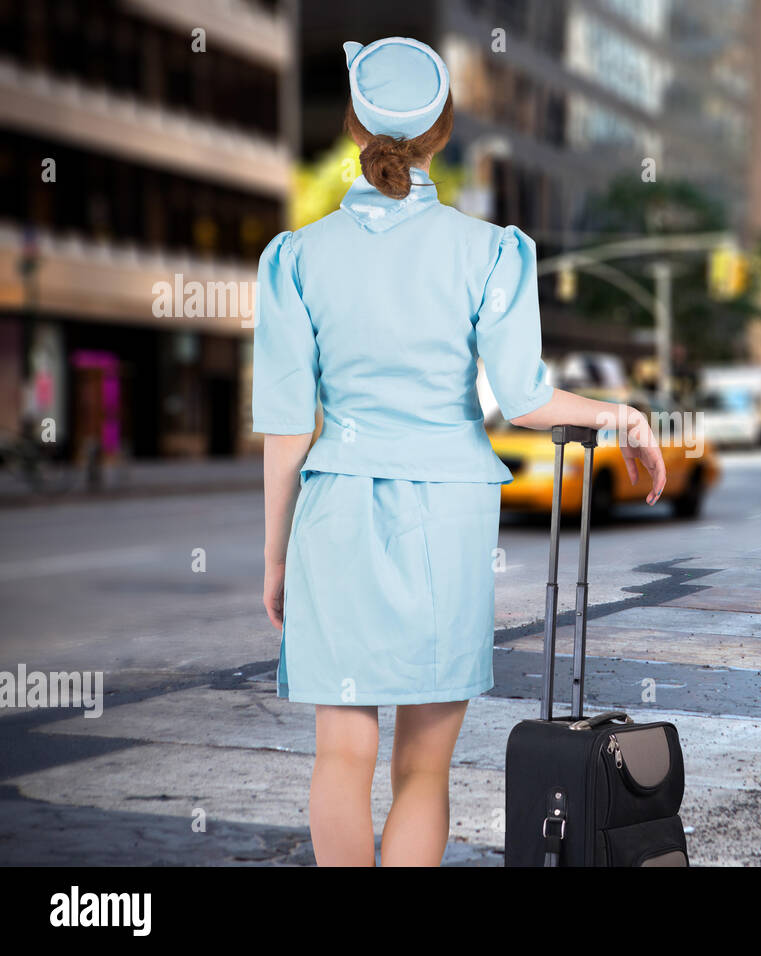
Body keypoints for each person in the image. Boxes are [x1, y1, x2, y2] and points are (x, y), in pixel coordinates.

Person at [252, 36, 667, 867]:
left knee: (341, 758)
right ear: (443, 132)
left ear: (352, 126)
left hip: (334, 513)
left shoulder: (296, 258)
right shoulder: (490, 251)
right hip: (447, 512)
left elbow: (288, 424)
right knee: (424, 769)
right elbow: (525, 401)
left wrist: (276, 556)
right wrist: (621, 414)